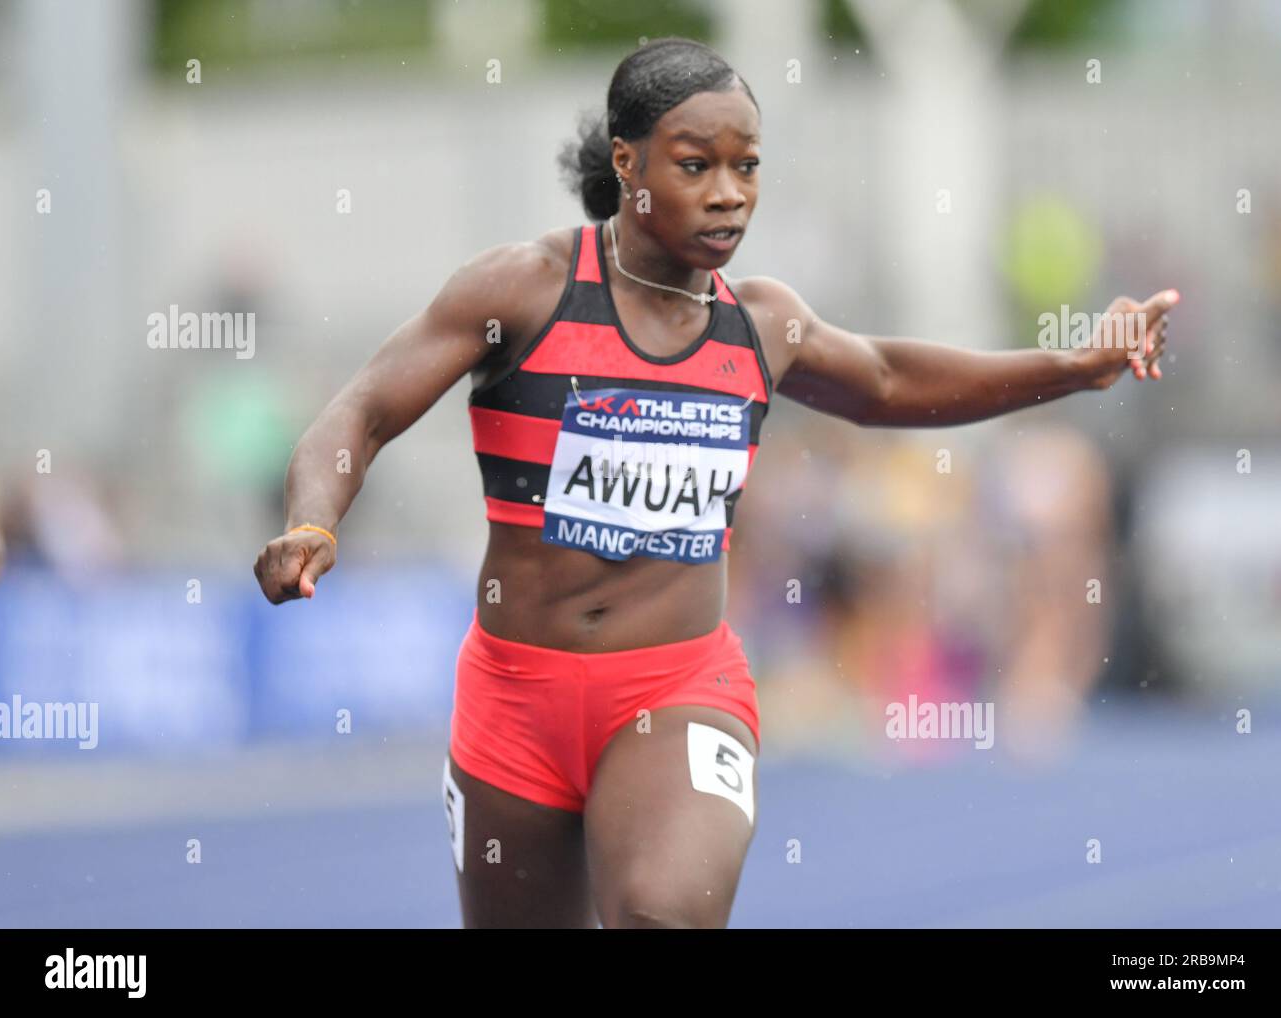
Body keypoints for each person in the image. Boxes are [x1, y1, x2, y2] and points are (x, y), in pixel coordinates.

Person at [251, 37, 1174, 928]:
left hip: (679, 688)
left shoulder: (762, 326)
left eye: (749, 167)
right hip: (513, 698)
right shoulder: (521, 293)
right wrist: (314, 524)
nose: (730, 195)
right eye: (696, 166)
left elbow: (891, 381)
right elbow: (363, 411)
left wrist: (1076, 366)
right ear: (629, 163)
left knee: (664, 913)